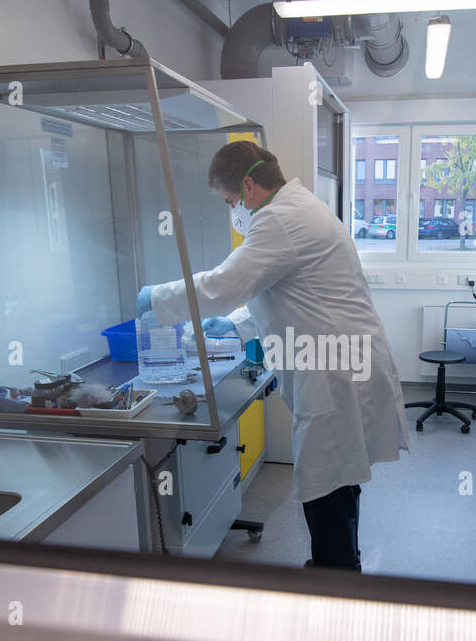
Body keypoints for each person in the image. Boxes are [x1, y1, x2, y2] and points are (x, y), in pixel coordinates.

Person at [137, 142, 410, 571]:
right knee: (340, 481)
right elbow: (280, 288)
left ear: (247, 186)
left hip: (333, 372)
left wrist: (156, 299)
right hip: (346, 360)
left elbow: (223, 284)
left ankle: (335, 580)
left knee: (326, 484)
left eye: (230, 201)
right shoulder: (301, 209)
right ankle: (341, 569)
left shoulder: (278, 219)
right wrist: (237, 324)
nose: (233, 210)